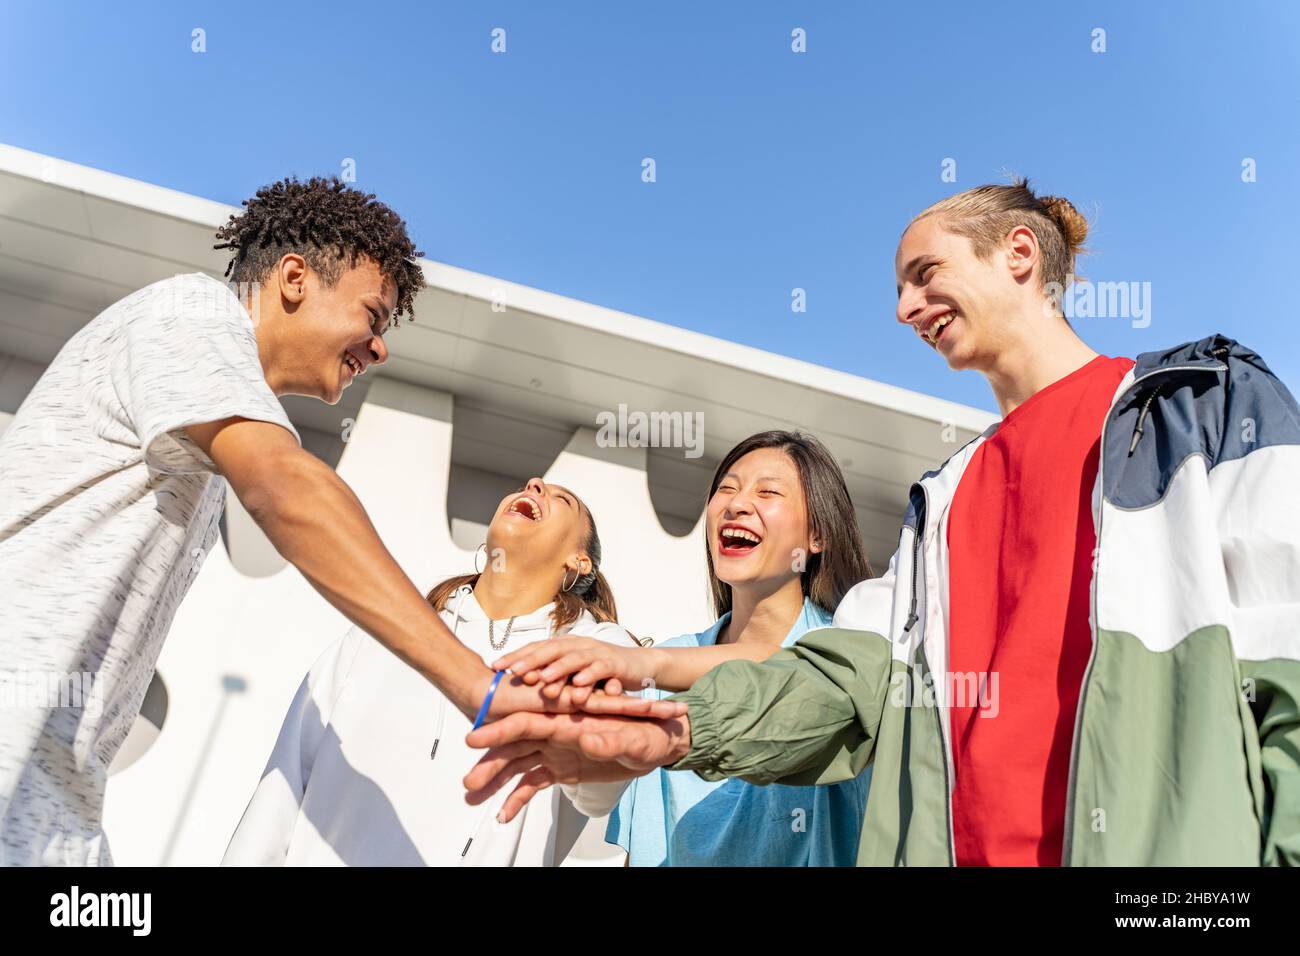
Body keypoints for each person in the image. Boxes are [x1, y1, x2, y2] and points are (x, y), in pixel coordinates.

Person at [463, 178, 1300, 867]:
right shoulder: (937, 509)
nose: (906, 307)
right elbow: (833, 690)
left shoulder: (1206, 409)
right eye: (900, 287)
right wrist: (671, 730)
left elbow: (1290, 666)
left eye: (925, 272)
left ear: (1018, 255)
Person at [0, 177, 652, 866]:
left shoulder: (200, 439)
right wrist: (477, 686)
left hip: (53, 815)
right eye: (373, 315)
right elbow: (290, 489)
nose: (378, 348)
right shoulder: (187, 315)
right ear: (293, 279)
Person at [492, 431, 873, 865]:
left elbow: (789, 679)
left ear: (818, 535)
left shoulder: (846, 652)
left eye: (767, 491)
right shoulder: (661, 673)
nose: (736, 504)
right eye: (726, 488)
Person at [223, 478, 638, 866]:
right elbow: (284, 782)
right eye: (532, 485)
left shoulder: (596, 649)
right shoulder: (381, 634)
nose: (535, 485)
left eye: (561, 499)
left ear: (579, 561)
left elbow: (602, 771)